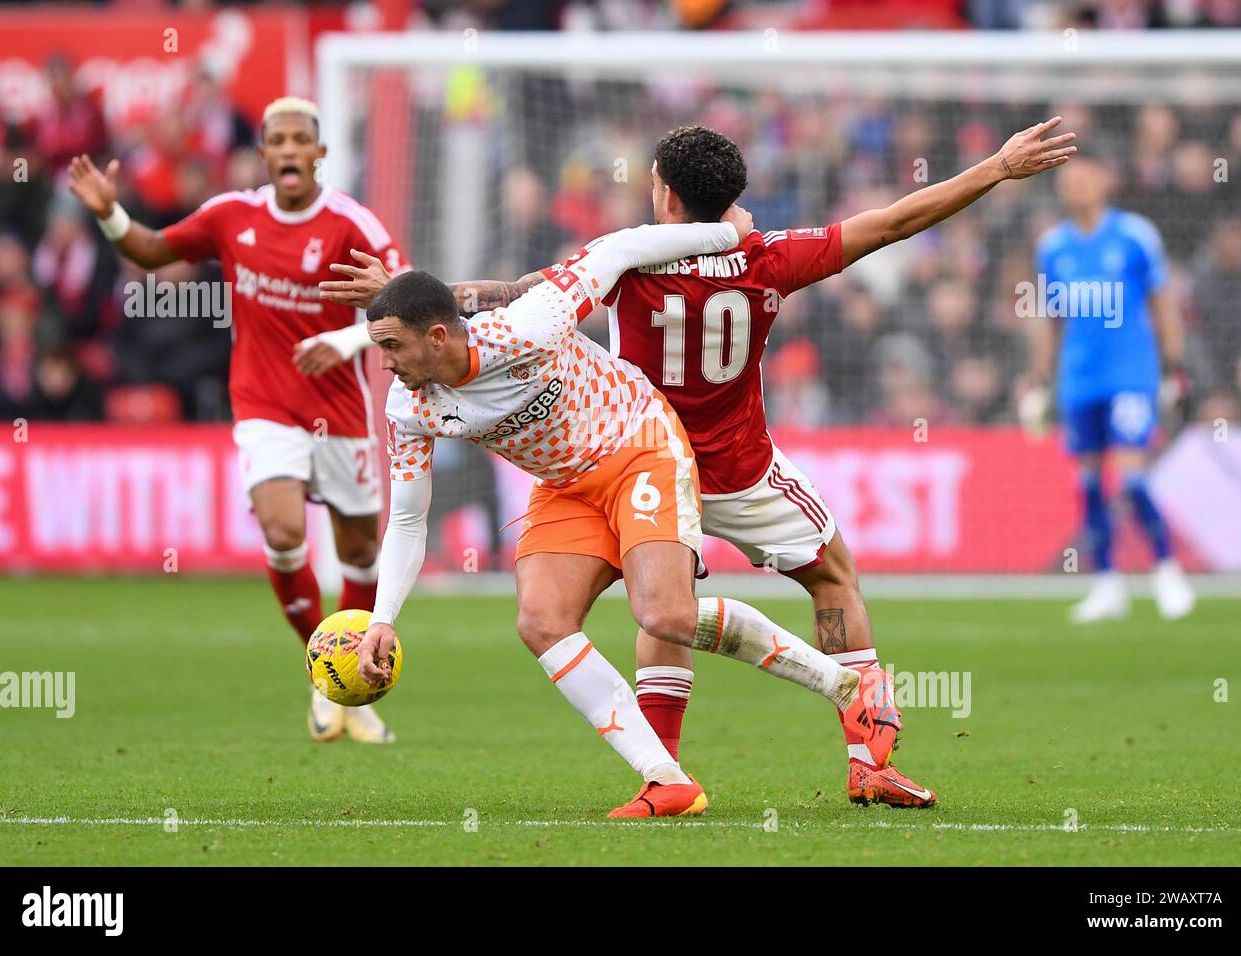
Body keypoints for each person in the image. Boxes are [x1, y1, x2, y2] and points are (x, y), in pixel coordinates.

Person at [355, 211, 887, 818]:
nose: (386, 364)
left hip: (638, 446)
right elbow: (406, 521)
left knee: (663, 613)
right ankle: (666, 780)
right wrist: (382, 618)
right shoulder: (408, 407)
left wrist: (728, 236)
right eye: (379, 348)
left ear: (439, 339)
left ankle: (845, 685)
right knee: (541, 621)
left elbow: (622, 248)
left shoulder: (531, 324)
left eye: (393, 347)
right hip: (566, 485)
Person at [68, 97, 409, 742]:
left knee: (360, 550)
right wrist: (110, 212)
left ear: (319, 153)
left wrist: (349, 341)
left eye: (298, 139)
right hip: (263, 405)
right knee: (283, 531)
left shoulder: (350, 224)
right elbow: (152, 249)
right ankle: (325, 675)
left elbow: (410, 293)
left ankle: (352, 690)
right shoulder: (233, 216)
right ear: (263, 153)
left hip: (339, 410)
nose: (287, 149)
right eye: (275, 139)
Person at [1020, 149, 1195, 623]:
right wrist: (1039, 378)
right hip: (1080, 381)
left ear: (1103, 179)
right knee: (1090, 481)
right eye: (1065, 178)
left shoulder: (1136, 236)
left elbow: (1162, 304)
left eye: (1080, 176)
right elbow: (1051, 320)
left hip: (1132, 377)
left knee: (1133, 475)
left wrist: (1175, 366)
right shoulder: (1053, 245)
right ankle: (1107, 582)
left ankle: (1165, 569)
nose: (1071, 185)